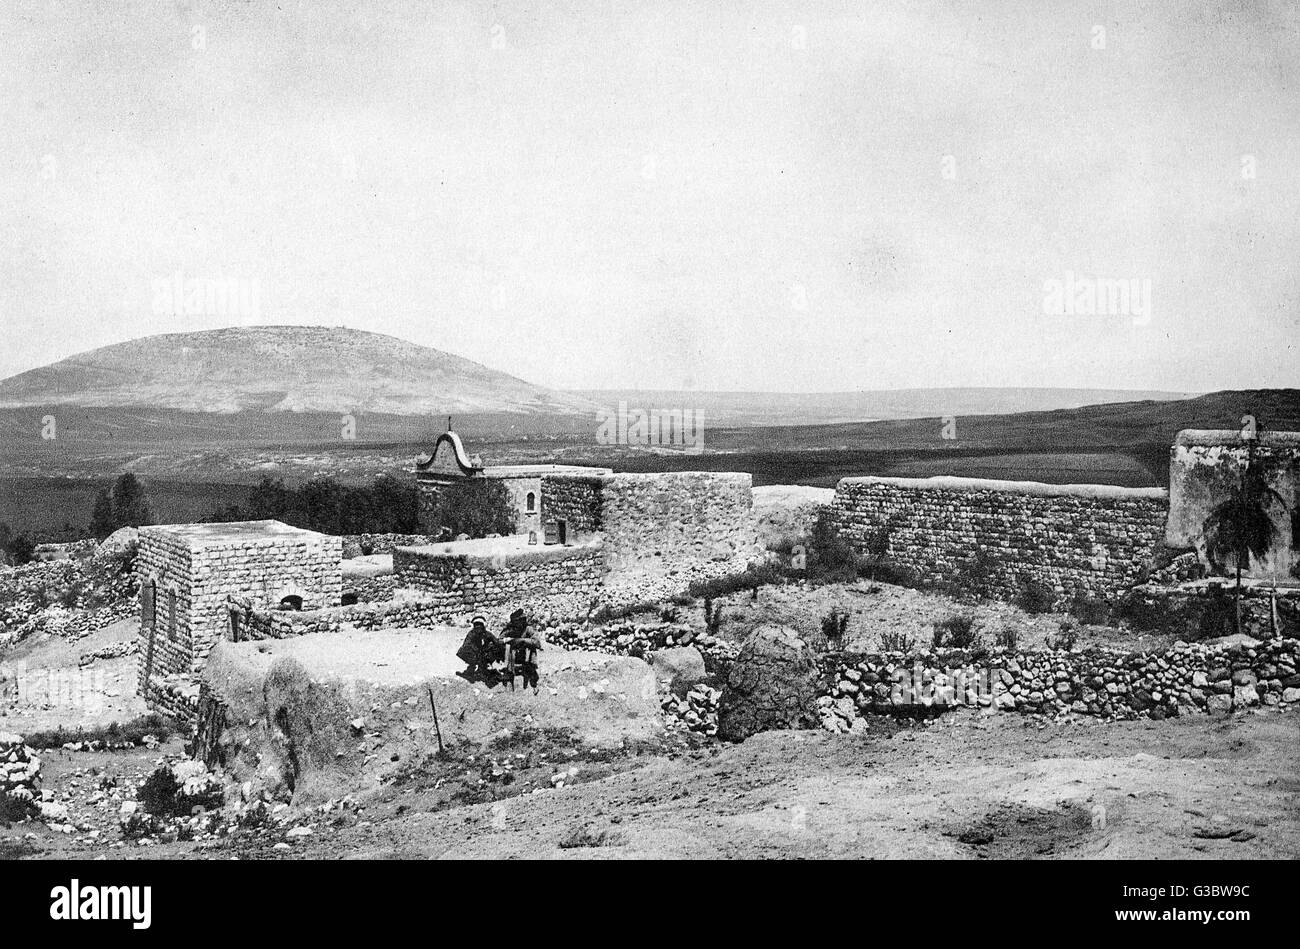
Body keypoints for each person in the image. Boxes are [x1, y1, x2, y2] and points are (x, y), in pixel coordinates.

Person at [501, 608, 542, 692]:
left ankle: (533, 681)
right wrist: (509, 640)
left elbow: (537, 643)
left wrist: (523, 640)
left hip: (525, 656)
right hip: (512, 656)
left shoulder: (528, 628)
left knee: (531, 647)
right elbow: (499, 640)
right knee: (508, 646)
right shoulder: (510, 628)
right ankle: (509, 678)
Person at [456, 615, 503, 683]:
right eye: (477, 625)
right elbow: (466, 645)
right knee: (465, 652)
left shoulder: (485, 634)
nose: (478, 627)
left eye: (479, 625)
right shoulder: (473, 634)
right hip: (475, 654)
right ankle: (474, 668)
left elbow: (496, 642)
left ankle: (480, 669)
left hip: (481, 655)